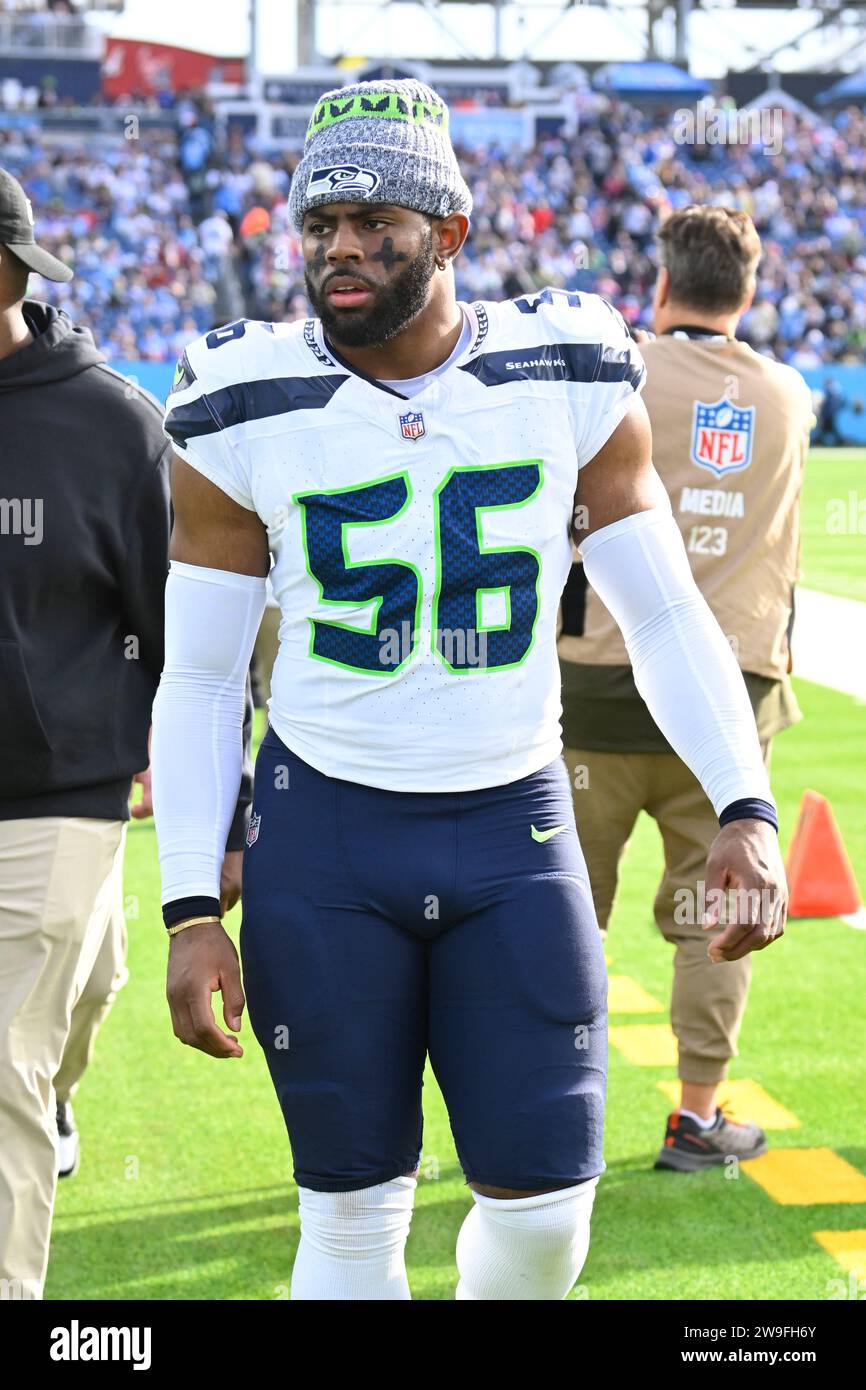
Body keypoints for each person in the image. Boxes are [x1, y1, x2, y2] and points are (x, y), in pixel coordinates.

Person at [152, 81, 787, 1302]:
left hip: (514, 820)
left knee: (548, 1210)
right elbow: (197, 674)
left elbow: (656, 610)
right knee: (347, 1215)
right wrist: (190, 905)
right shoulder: (240, 397)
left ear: (447, 234)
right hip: (326, 829)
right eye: (320, 223)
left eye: (375, 222)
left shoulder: (566, 366)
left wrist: (747, 807)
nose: (340, 249)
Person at [0, 166, 251, 1299]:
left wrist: (227, 810)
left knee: (0, 1068)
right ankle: (49, 1091)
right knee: (74, 1002)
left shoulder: (110, 426)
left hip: (56, 790)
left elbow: (192, 639)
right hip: (64, 822)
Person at [559, 206, 813, 1172]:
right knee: (719, 918)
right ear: (747, 292)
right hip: (730, 706)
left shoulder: (618, 367)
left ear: (661, 281)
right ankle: (697, 1117)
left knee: (561, 908)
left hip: (597, 690)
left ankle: (535, 1102)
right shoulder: (787, 395)